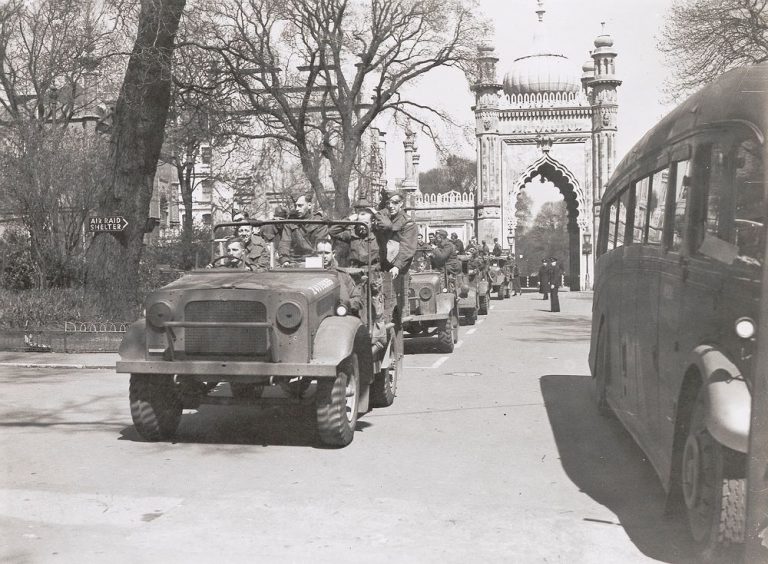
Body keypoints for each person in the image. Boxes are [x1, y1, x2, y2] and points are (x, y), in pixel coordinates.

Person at [372, 191, 418, 280]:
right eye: (388, 203)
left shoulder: (408, 223)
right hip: (378, 265)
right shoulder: (383, 218)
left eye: (395, 202)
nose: (391, 206)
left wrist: (397, 266)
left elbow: (407, 248)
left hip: (396, 270)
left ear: (401, 203)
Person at [329, 198, 379, 267]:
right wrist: (349, 220)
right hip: (356, 269)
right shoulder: (352, 234)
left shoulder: (377, 234)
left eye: (366, 223)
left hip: (374, 269)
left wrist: (376, 213)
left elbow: (387, 225)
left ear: (371, 223)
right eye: (360, 223)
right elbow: (332, 231)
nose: (362, 226)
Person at [278, 193, 329, 259]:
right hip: (295, 260)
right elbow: (285, 242)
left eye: (300, 206)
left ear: (309, 205)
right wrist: (284, 259)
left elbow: (320, 246)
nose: (297, 209)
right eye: (296, 206)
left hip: (314, 261)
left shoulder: (320, 222)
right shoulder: (290, 222)